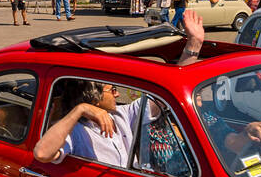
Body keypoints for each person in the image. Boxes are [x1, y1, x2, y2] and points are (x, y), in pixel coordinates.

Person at [32, 13, 208, 166]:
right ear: (94, 98)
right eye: (112, 89)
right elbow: (42, 153)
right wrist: (80, 110)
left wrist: (194, 45)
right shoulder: (77, 131)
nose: (117, 93)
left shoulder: (122, 114)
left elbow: (168, 91)